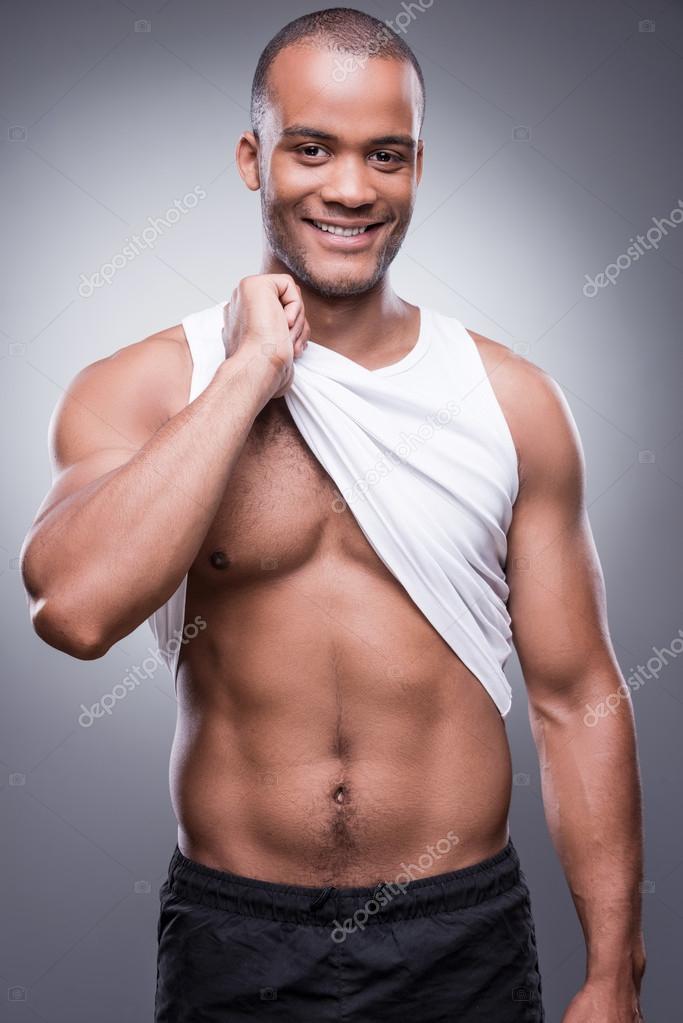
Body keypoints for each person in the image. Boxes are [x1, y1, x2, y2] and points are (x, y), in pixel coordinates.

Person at [20, 7, 646, 1021]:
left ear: (416, 168)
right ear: (251, 158)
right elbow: (75, 612)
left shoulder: (511, 401)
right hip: (237, 935)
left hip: (460, 933)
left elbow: (577, 699)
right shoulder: (145, 388)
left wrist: (614, 972)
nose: (350, 189)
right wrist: (248, 372)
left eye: (384, 155)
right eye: (310, 149)